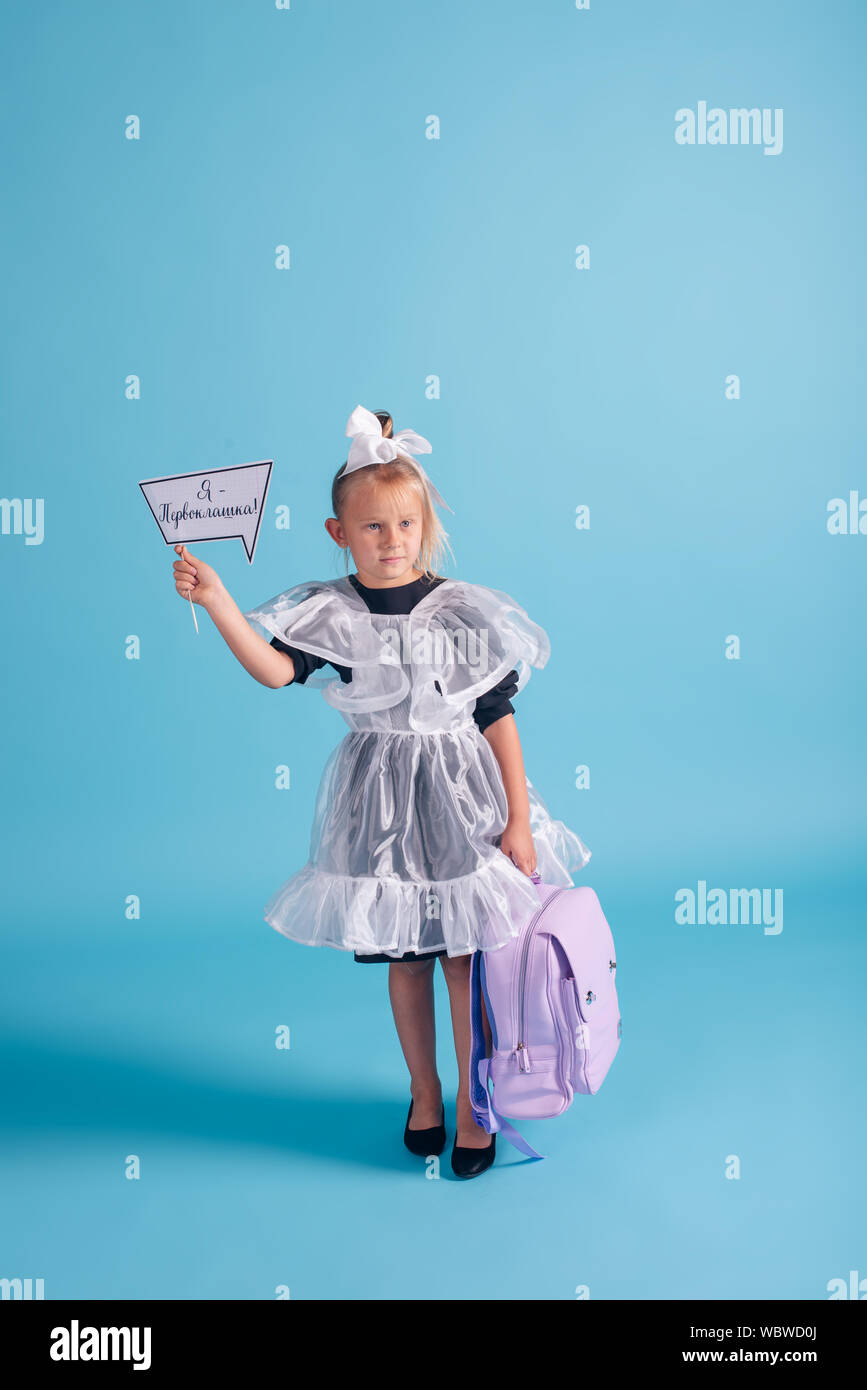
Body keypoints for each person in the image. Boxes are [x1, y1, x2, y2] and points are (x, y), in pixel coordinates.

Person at [171, 404, 591, 1179]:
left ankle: (474, 1099)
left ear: (423, 523)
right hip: (382, 805)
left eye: (404, 525)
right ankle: (423, 1091)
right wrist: (219, 602)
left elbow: (496, 717)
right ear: (339, 533)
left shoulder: (460, 609)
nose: (391, 541)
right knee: (406, 957)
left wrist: (519, 819)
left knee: (464, 958)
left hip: (462, 799)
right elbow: (274, 671)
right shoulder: (332, 609)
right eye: (372, 528)